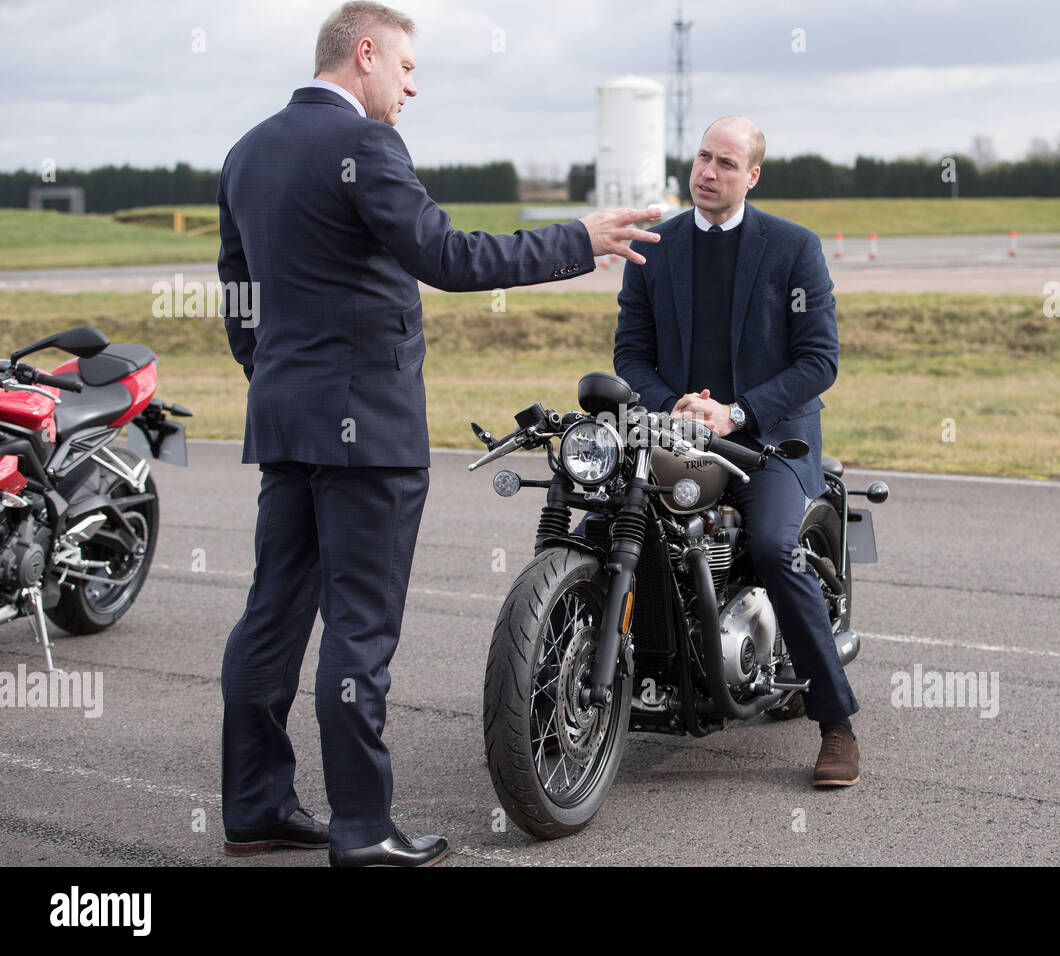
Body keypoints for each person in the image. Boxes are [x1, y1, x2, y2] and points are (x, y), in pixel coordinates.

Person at [217, 0, 660, 868]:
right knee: (359, 630)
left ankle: (256, 804)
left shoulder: (248, 150)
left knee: (271, 617)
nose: (413, 87)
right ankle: (362, 829)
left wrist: (271, 379)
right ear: (367, 53)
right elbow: (449, 257)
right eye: (409, 69)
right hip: (367, 433)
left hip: (288, 422)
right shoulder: (365, 145)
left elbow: (240, 295)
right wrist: (580, 241)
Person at [613, 115, 859, 788]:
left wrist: (736, 411)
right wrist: (676, 406)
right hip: (673, 432)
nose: (707, 172)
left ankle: (836, 723)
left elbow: (819, 361)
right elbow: (630, 351)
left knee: (777, 548)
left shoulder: (793, 248)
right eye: (701, 158)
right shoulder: (653, 243)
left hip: (768, 440)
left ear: (752, 175)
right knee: (595, 528)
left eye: (725, 162)